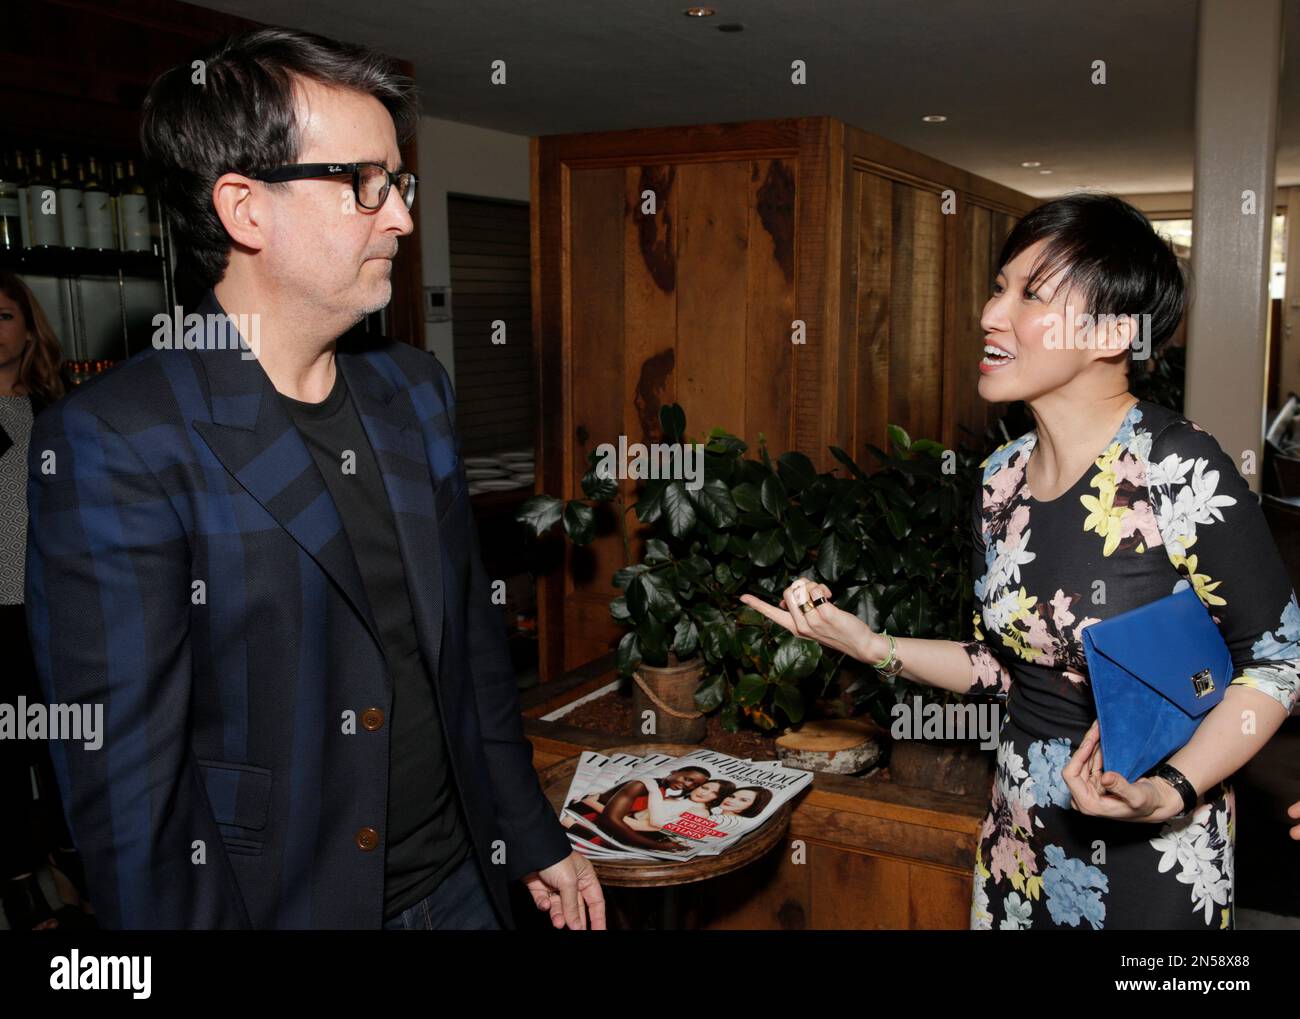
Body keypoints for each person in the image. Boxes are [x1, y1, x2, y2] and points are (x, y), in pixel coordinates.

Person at [24, 26, 603, 931]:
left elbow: (471, 656)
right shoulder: (117, 440)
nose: (402, 217)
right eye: (364, 185)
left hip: (464, 885)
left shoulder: (414, 389)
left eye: (398, 183)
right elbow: (130, 799)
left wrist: (531, 834)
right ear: (245, 209)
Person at [742, 192, 1300, 930]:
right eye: (999, 286)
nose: (989, 313)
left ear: (1110, 331)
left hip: (1154, 842)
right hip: (1020, 828)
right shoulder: (997, 478)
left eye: (1031, 294)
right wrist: (870, 645)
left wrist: (1171, 788)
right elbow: (1003, 662)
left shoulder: (1177, 465)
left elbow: (1277, 660)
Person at [0, 273, 92, 930]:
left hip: (54, 612)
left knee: (67, 749)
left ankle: (73, 865)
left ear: (29, 328)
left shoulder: (61, 412)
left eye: (2, 315)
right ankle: (20, 886)